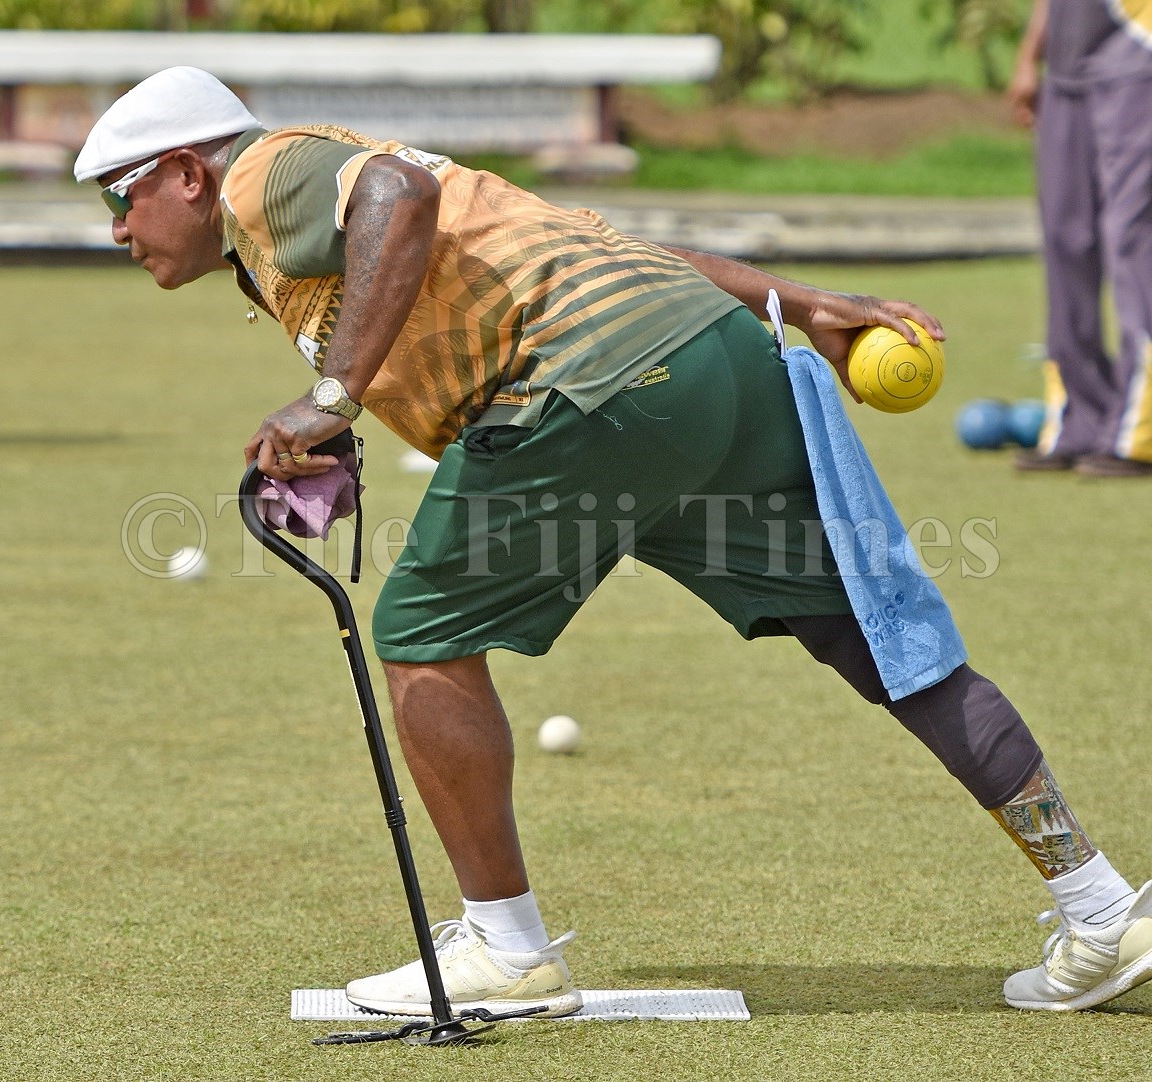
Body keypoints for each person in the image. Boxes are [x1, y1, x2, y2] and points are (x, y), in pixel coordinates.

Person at [75, 66, 1151, 1017]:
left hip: (595, 380)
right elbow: (609, 244)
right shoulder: (288, 242)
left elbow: (399, 200)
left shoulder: (270, 172)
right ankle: (1102, 907)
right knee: (873, 637)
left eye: (122, 201)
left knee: (418, 631)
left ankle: (506, 949)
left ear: (185, 174)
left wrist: (331, 396)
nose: (120, 232)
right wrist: (797, 298)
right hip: (715, 358)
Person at [1008, 0, 1152, 476]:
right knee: (1065, 240)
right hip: (1067, 73)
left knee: (1134, 243)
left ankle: (1140, 430)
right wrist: (1031, 56)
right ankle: (1081, 420)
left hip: (1138, 57)